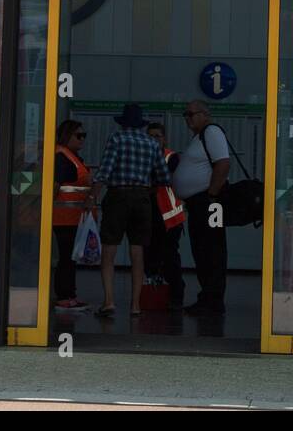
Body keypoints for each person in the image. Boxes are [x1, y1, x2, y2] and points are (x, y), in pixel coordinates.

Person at [89, 103, 170, 319]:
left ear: (123, 123)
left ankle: (109, 301)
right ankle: (135, 305)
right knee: (138, 251)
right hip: (143, 199)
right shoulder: (152, 144)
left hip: (118, 196)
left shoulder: (117, 139)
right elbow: (164, 177)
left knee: (109, 250)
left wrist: (91, 197)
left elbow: (104, 172)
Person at [174, 102, 231, 315]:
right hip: (200, 203)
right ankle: (207, 297)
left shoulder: (212, 132)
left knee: (211, 250)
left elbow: (223, 164)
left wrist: (211, 195)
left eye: (191, 114)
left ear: (205, 115)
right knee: (202, 250)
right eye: (185, 114)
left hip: (208, 202)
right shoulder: (199, 137)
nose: (187, 118)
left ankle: (213, 300)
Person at [145, 121, 185, 308]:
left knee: (170, 257)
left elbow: (164, 178)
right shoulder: (141, 157)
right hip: (148, 216)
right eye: (150, 136)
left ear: (164, 139)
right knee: (149, 257)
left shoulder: (171, 157)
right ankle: (153, 295)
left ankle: (176, 296)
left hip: (170, 218)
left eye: (157, 136)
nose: (154, 140)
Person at [52, 119, 92, 310]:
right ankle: (63, 296)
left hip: (72, 217)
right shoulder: (62, 157)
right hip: (63, 218)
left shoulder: (71, 157)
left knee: (70, 257)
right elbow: (55, 187)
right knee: (66, 257)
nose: (82, 139)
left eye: (84, 135)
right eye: (79, 135)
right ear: (67, 135)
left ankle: (69, 294)